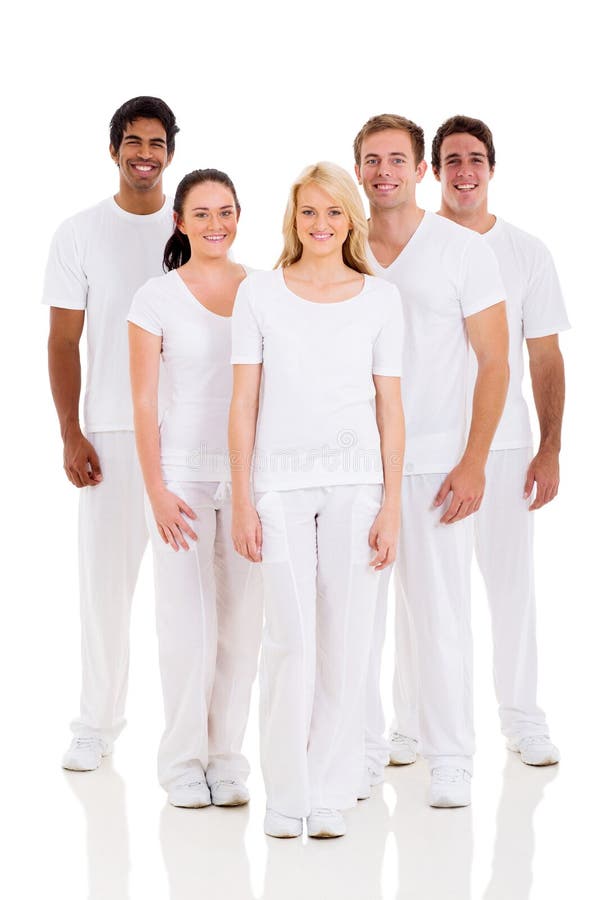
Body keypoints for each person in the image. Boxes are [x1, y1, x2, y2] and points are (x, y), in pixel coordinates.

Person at [229, 162, 405, 838]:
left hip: (357, 484)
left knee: (346, 637)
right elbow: (244, 403)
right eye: (309, 212)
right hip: (278, 483)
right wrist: (245, 499)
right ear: (293, 220)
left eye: (334, 213)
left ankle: (329, 790)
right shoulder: (260, 294)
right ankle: (287, 792)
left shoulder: (379, 298)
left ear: (351, 221)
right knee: (290, 638)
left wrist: (390, 505)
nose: (321, 225)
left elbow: (391, 407)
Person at [354, 114, 509, 807]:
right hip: (356, 463)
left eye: (396, 159)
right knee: (354, 616)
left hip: (437, 463)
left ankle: (452, 757)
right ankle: (359, 752)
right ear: (356, 167)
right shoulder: (339, 241)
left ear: (420, 170)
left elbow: (496, 360)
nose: (383, 170)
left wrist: (474, 460)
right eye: (370, 159)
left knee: (440, 615)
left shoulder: (461, 251)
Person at [44, 96, 178, 771]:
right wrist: (72, 432)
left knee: (191, 593)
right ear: (113, 149)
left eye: (155, 142)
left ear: (171, 152)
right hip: (112, 437)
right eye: (133, 141)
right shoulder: (80, 233)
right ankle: (96, 725)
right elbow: (64, 340)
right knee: (105, 588)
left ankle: (195, 741)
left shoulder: (193, 225)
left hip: (185, 439)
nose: (144, 154)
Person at [430, 114, 569, 765]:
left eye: (475, 160)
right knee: (427, 594)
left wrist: (550, 447)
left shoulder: (525, 252)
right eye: (452, 160)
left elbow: (544, 356)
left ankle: (522, 717)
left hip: (508, 449)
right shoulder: (405, 246)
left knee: (510, 588)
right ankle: (413, 724)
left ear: (491, 169)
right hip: (427, 450)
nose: (464, 172)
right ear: (434, 169)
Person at [127, 169, 262, 808]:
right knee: (186, 623)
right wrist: (154, 488)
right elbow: (144, 401)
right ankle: (182, 761)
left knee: (241, 621)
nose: (216, 224)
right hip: (179, 476)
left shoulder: (264, 290)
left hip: (248, 479)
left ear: (239, 217)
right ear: (180, 221)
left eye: (226, 211)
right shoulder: (155, 298)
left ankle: (228, 759)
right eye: (202, 213)